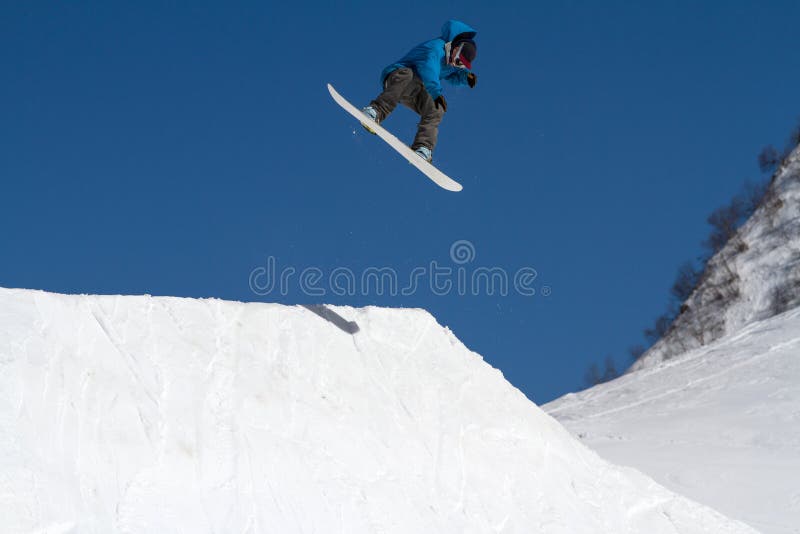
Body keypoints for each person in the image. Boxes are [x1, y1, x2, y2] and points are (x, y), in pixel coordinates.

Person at [362, 20, 477, 163]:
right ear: (456, 48)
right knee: (408, 75)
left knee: (438, 107)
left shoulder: (451, 62)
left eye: (461, 65)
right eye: (458, 61)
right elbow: (429, 70)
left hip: (416, 91)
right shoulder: (436, 50)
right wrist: (436, 93)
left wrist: (465, 77)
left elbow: (452, 76)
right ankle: (375, 111)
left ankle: (423, 147)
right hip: (398, 78)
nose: (456, 65)